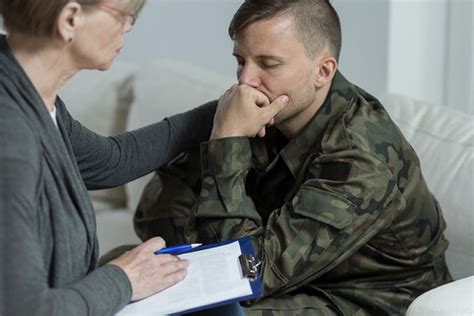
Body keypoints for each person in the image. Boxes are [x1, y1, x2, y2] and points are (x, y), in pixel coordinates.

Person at [134, 0, 453, 315]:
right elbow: (152, 212)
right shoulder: (266, 112)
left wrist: (226, 143)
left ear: (323, 71)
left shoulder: (361, 159)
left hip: (368, 300)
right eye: (240, 60)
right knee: (122, 275)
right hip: (287, 283)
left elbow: (241, 276)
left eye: (268, 64)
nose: (246, 81)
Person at [0, 0, 288, 315]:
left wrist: (224, 112)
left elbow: (110, 161)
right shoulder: (11, 140)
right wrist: (124, 279)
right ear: (70, 19)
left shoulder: (29, 91)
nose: (129, 27)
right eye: (125, 15)